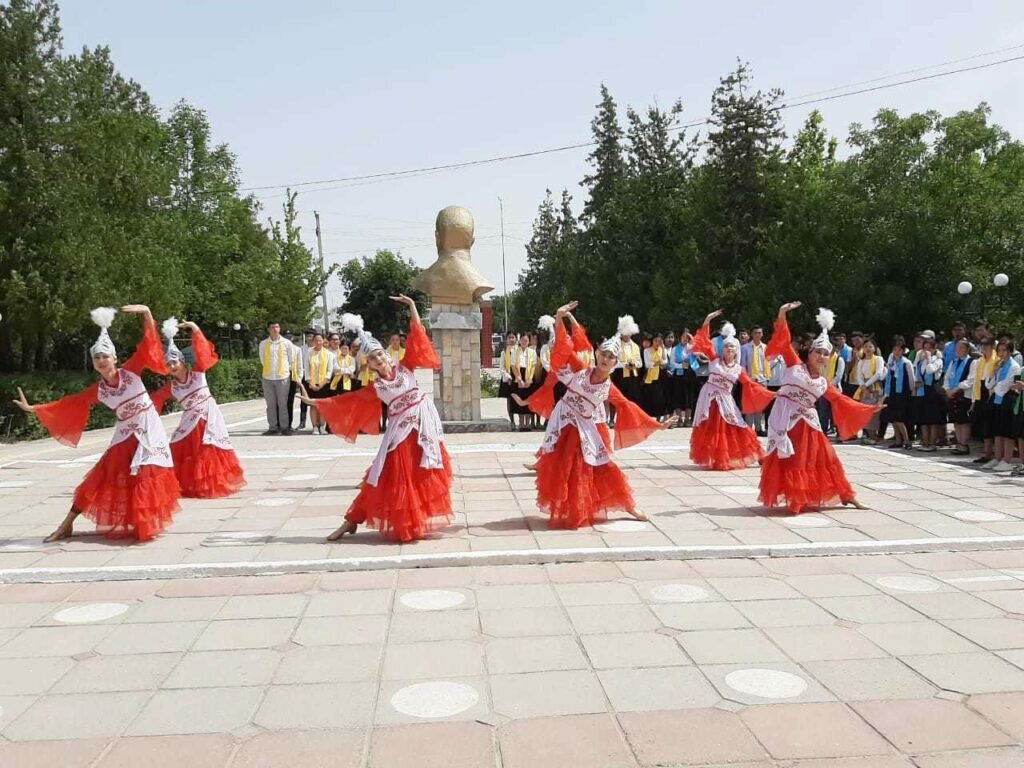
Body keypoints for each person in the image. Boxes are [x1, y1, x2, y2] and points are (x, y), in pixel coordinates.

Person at [12, 305, 179, 542]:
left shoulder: (130, 372)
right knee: (101, 476)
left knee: (146, 473)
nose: (101, 361)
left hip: (149, 431)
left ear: (114, 358)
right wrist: (34, 408)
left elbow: (148, 345)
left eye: (105, 356)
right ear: (93, 362)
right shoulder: (99, 390)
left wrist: (147, 314)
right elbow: (69, 404)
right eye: (97, 357)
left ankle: (145, 524)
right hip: (125, 434)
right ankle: (66, 525)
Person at [302, 296, 451, 542]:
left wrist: (412, 307)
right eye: (374, 358)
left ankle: (417, 518)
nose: (379, 360)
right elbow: (347, 402)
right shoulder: (377, 387)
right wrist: (316, 402)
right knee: (386, 474)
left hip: (423, 425)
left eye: (381, 355)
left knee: (421, 471)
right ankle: (351, 521)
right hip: (400, 431)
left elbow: (418, 336)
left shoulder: (406, 367)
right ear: (369, 364)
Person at [514, 301, 674, 528]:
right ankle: (570, 507)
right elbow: (564, 346)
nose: (606, 359)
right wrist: (560, 319)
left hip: (586, 429)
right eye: (603, 355)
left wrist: (657, 425)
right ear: (597, 354)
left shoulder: (609, 388)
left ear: (615, 363)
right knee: (565, 469)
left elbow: (628, 407)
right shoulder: (581, 368)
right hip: (566, 424)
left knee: (601, 466)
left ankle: (629, 506)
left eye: (611, 358)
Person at [758, 302, 878, 514]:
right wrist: (782, 314)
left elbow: (841, 401)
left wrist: (868, 409)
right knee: (793, 459)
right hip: (788, 421)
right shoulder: (795, 365)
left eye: (826, 353)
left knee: (825, 458)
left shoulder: (823, 382)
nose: (821, 356)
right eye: (818, 352)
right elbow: (784, 341)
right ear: (810, 352)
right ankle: (796, 499)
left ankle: (847, 496)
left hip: (810, 424)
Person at [151, 319, 246, 498]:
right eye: (168, 364)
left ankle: (207, 484)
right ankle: (183, 483)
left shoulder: (197, 373)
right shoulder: (171, 386)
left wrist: (194, 328)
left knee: (207, 449)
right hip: (189, 420)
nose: (171, 366)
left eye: (174, 362)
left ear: (181, 361)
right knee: (181, 448)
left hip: (207, 416)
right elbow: (153, 402)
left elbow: (203, 351)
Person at [690, 312, 773, 471]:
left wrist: (772, 394)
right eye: (727, 346)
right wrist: (707, 320)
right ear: (723, 349)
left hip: (725, 400)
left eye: (732, 347)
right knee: (710, 429)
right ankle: (716, 458)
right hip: (709, 400)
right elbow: (705, 342)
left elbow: (751, 385)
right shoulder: (715, 360)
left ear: (736, 351)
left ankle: (758, 453)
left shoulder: (738, 369)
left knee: (738, 424)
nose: (729, 349)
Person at [983, 339, 1021, 472]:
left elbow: (1006, 385)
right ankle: (997, 458)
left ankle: (1007, 459)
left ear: (1010, 351)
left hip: (1008, 399)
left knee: (1007, 432)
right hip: (997, 399)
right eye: (999, 350)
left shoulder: (1014, 366)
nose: (1001, 353)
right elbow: (988, 384)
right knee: (997, 431)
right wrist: (994, 371)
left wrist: (995, 387)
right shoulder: (999, 365)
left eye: (1004, 350)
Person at [259, 321, 299, 435]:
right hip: (267, 376)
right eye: (272, 327)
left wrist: (285, 370)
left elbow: (291, 359)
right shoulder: (263, 344)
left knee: (283, 403)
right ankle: (272, 427)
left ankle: (284, 427)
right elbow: (262, 359)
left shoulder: (286, 343)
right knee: (270, 404)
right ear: (268, 329)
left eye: (277, 327)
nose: (275, 329)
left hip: (282, 377)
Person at [912, 337, 945, 452]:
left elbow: (931, 370)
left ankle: (932, 443)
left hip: (933, 390)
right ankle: (925, 442)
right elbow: (916, 371)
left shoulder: (938, 360)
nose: (926, 350)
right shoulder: (921, 360)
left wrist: (929, 358)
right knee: (923, 418)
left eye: (928, 348)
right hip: (922, 390)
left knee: (932, 418)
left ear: (934, 348)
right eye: (924, 348)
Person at [882, 336, 916, 449]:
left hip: (903, 393)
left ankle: (907, 440)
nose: (896, 352)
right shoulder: (891, 362)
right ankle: (898, 440)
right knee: (893, 418)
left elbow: (911, 379)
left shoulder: (906, 363)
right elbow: (888, 377)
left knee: (899, 418)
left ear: (903, 351)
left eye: (899, 350)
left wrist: (912, 390)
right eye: (895, 349)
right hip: (892, 392)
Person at [943, 338, 974, 455]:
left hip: (964, 394)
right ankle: (959, 442)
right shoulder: (954, 362)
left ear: (967, 349)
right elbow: (947, 377)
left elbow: (971, 379)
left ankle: (964, 444)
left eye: (961, 348)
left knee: (964, 421)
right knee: (956, 421)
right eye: (957, 348)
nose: (958, 350)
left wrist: (957, 388)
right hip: (952, 394)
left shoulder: (972, 362)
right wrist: (947, 389)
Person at [970, 337, 998, 464]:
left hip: (992, 392)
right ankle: (987, 453)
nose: (984, 348)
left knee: (993, 425)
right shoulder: (979, 361)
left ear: (992, 346)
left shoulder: (997, 360)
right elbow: (976, 381)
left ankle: (996, 454)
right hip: (981, 392)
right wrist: (974, 400)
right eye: (982, 346)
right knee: (984, 425)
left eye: (987, 346)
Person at [852, 339, 886, 443]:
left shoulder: (878, 359)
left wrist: (866, 385)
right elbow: (859, 375)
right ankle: (869, 435)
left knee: (874, 413)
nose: (868, 349)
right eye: (866, 347)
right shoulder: (861, 361)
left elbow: (878, 374)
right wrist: (862, 386)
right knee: (865, 412)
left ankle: (874, 436)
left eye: (870, 347)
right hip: (864, 388)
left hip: (874, 387)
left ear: (874, 348)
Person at [305, 331, 339, 434]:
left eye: (320, 340)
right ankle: (315, 426)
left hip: (324, 384)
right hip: (312, 383)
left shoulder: (328, 354)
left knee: (323, 405)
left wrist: (323, 383)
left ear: (323, 341)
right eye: (316, 340)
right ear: (313, 341)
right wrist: (310, 383)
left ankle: (322, 426)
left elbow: (329, 370)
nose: (318, 342)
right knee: (313, 405)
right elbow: (306, 368)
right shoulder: (309, 352)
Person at [741, 326, 771, 436]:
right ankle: (748, 428)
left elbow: (768, 363)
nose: (758, 335)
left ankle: (758, 428)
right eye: (755, 333)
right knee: (750, 405)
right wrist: (746, 379)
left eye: (759, 332)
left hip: (763, 379)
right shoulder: (745, 348)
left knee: (760, 405)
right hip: (750, 379)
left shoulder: (766, 347)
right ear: (752, 334)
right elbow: (742, 365)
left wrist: (767, 378)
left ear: (762, 334)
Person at [816, 343, 847, 436]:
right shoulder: (823, 359)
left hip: (834, 389)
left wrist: (829, 385)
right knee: (823, 412)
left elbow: (839, 376)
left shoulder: (839, 359)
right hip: (823, 389)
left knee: (836, 412)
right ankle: (823, 432)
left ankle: (840, 432)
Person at [667, 330, 694, 426]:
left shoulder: (692, 348)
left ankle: (687, 419)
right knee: (678, 396)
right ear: (680, 338)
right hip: (679, 374)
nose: (685, 339)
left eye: (687, 337)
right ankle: (679, 419)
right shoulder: (675, 349)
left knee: (688, 397)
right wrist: (680, 366)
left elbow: (695, 362)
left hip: (690, 374)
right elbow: (672, 363)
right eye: (683, 337)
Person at [642, 333, 669, 420]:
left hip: (661, 374)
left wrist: (663, 348)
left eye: (659, 341)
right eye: (655, 341)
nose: (657, 343)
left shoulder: (662, 350)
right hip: (651, 375)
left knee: (661, 396)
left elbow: (665, 361)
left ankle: (660, 416)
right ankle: (650, 416)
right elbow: (647, 364)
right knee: (652, 396)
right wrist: (657, 363)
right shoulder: (647, 351)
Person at [497, 331, 518, 427]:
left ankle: (521, 421)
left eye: (513, 337)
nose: (511, 339)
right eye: (509, 337)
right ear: (506, 340)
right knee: (510, 400)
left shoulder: (519, 350)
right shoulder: (504, 352)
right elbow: (502, 368)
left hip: (518, 377)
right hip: (508, 379)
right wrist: (508, 377)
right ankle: (512, 421)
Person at [298, 329, 316, 431]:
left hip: (317, 378)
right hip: (305, 377)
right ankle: (302, 422)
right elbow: (299, 364)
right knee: (304, 400)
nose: (310, 338)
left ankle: (319, 423)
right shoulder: (301, 349)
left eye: (311, 336)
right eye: (308, 336)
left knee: (317, 400)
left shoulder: (317, 348)